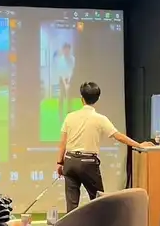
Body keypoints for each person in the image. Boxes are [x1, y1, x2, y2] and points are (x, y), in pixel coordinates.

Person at [56, 81, 149, 213]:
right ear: (97, 99)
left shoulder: (69, 117)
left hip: (70, 161)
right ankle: (99, 225)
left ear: (82, 98)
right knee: (98, 200)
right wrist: (139, 145)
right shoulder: (100, 118)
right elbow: (118, 136)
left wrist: (60, 163)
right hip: (88, 163)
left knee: (71, 204)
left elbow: (63, 143)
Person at [55, 42, 75, 123]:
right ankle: (60, 115)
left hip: (70, 78)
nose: (66, 51)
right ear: (63, 50)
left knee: (70, 96)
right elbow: (61, 73)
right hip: (62, 79)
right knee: (62, 97)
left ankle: (69, 113)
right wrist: (65, 84)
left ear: (70, 50)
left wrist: (69, 82)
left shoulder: (72, 59)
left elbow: (71, 70)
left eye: (68, 49)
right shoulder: (61, 60)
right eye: (65, 49)